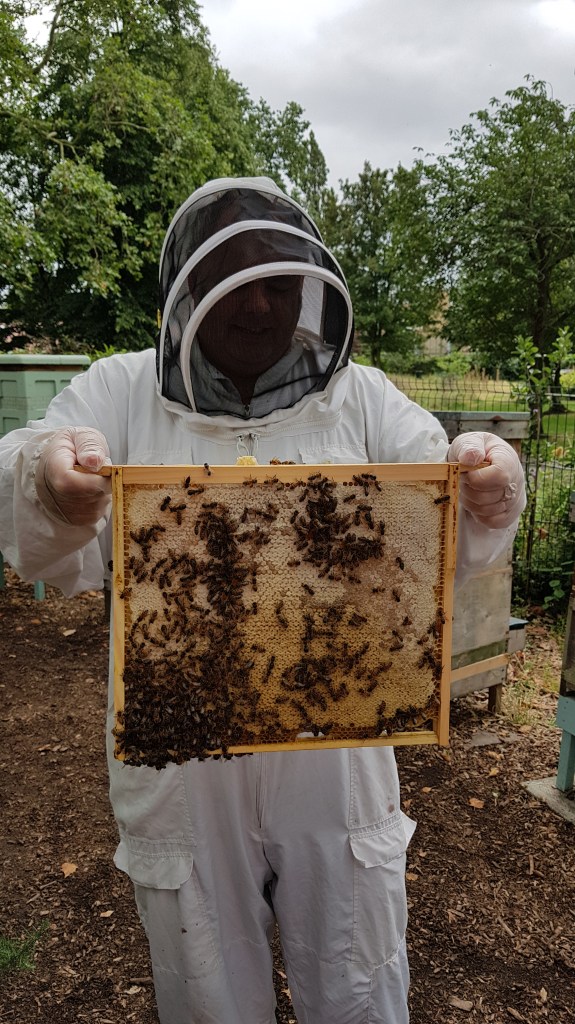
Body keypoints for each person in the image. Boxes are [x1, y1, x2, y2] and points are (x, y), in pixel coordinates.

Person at [0, 177, 526, 1024]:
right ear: (187, 292)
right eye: (235, 283)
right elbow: (30, 489)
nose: (260, 305)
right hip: (181, 749)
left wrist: (491, 489)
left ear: (311, 287)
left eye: (278, 283)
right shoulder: (121, 391)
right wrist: (50, 485)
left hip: (338, 738)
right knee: (204, 970)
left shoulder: (360, 397)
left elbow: (450, 516)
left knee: (354, 961)